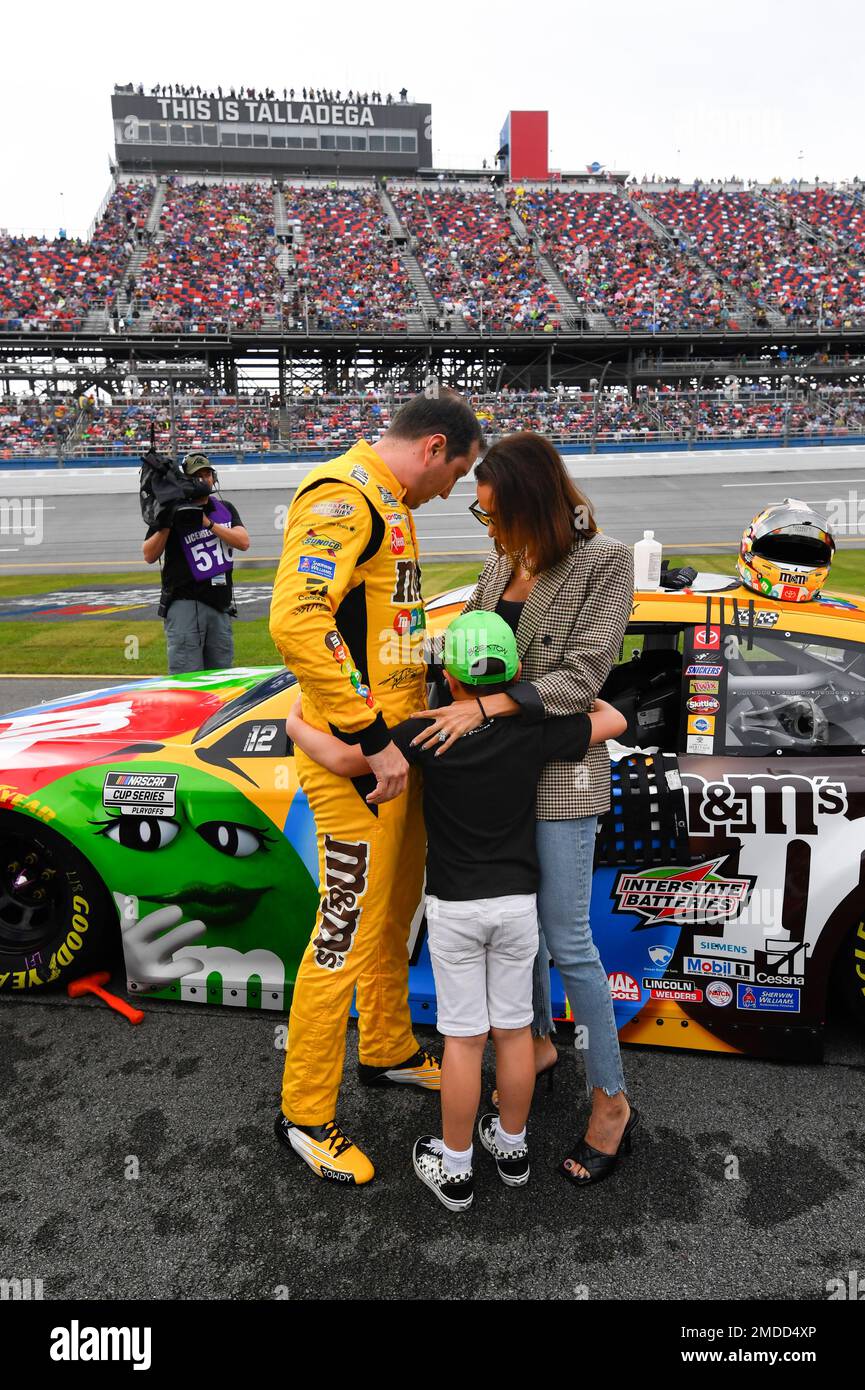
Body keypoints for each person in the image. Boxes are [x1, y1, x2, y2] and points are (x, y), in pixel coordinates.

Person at [286, 610, 628, 1210]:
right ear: (516, 668)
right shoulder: (529, 731)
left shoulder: (424, 730)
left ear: (447, 672)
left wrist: (296, 726)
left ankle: (456, 1166)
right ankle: (514, 1148)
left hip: (454, 911)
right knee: (515, 1033)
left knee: (464, 1043)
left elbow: (344, 762)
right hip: (518, 908)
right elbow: (614, 718)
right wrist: (522, 704)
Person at [410, 431, 639, 1187]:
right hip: (501, 778)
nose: (488, 527)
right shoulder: (501, 562)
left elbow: (582, 679)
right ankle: (534, 1050)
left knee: (568, 944)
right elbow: (466, 661)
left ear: (534, 505)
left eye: (494, 514)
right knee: (522, 940)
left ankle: (610, 1103)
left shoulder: (602, 563)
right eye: (482, 516)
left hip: (559, 779)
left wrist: (486, 714)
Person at [268, 389, 484, 1187]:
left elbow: (380, 628)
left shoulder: (389, 503)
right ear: (434, 447)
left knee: (394, 913)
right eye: (456, 474)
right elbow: (297, 620)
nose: (452, 491)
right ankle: (304, 1112)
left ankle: (387, 1046)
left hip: (395, 754)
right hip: (358, 768)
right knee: (342, 934)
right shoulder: (341, 495)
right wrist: (365, 737)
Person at [142, 453, 249, 675]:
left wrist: (208, 524)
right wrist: (168, 522)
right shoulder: (172, 509)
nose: (204, 480)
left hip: (220, 604)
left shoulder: (224, 508)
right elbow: (149, 554)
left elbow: (243, 541)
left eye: (207, 474)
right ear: (186, 480)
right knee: (187, 676)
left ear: (214, 477)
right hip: (184, 602)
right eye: (197, 476)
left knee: (222, 675)